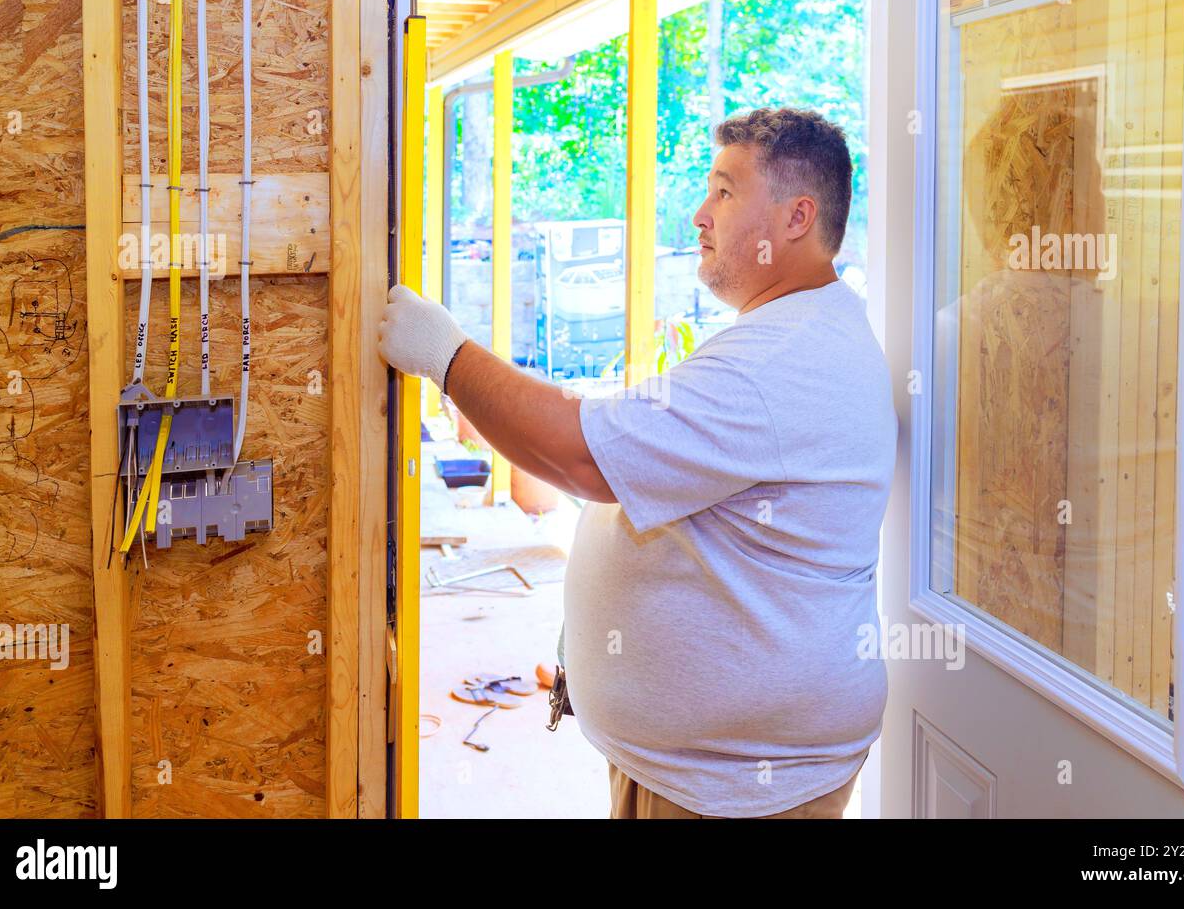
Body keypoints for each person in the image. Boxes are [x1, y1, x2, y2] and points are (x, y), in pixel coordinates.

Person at [378, 106, 896, 819]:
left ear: (797, 216)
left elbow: (583, 456)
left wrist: (446, 356)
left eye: (724, 190)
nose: (699, 213)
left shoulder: (779, 362)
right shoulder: (799, 332)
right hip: (713, 773)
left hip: (740, 790)